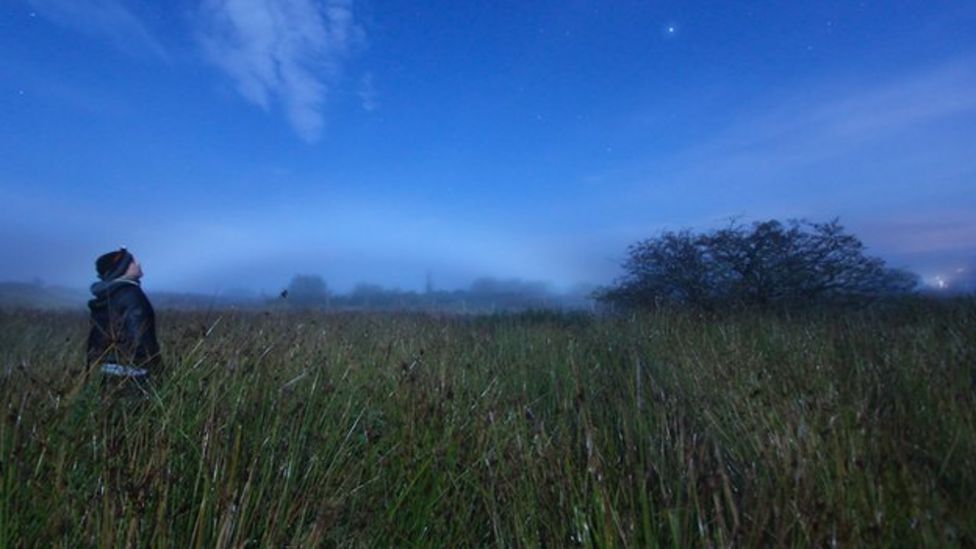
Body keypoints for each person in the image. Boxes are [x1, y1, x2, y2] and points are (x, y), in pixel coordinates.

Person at [86, 248, 161, 395]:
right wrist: (157, 368)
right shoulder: (131, 295)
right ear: (122, 269)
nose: (138, 264)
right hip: (134, 374)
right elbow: (141, 338)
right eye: (132, 261)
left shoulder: (109, 295)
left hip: (108, 370)